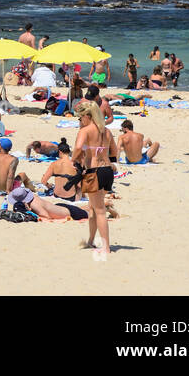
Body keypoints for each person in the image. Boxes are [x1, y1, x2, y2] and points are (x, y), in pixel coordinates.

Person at [72, 101, 116, 258]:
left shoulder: (86, 130)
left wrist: (74, 160)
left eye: (81, 117)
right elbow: (114, 151)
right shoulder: (107, 131)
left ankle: (106, 247)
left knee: (100, 211)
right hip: (106, 170)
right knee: (92, 208)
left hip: (94, 172)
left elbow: (77, 148)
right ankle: (91, 239)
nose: (80, 120)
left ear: (87, 116)